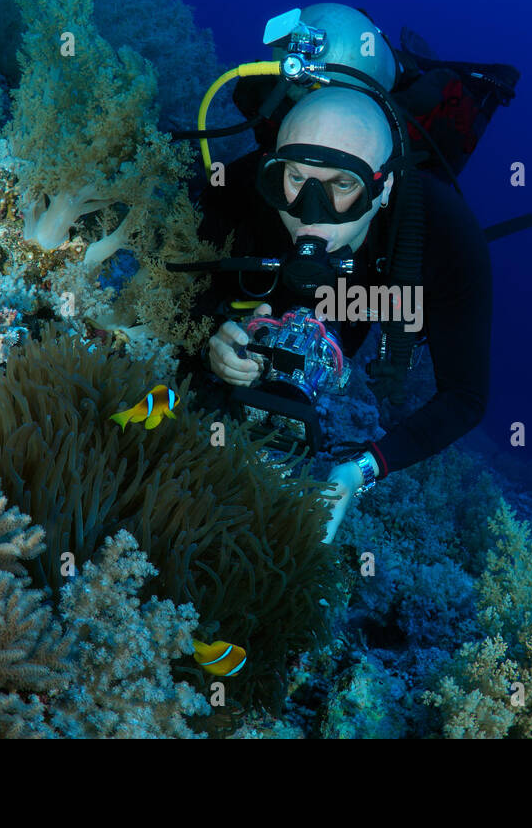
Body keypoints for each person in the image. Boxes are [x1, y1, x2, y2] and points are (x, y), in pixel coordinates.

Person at [189, 84, 493, 543]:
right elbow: (179, 291)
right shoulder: (244, 190)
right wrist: (212, 339)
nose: (310, 215)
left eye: (343, 184)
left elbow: (465, 398)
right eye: (295, 177)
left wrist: (358, 470)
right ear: (274, 166)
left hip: (379, 288)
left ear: (383, 185)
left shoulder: (447, 236)